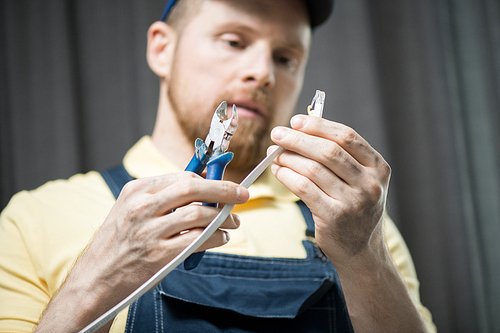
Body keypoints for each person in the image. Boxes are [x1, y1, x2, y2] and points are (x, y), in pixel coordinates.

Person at [0, 0, 436, 332]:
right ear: (161, 49)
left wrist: (364, 258)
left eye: (286, 58)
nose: (262, 72)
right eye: (234, 41)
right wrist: (93, 284)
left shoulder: (356, 225)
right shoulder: (35, 218)